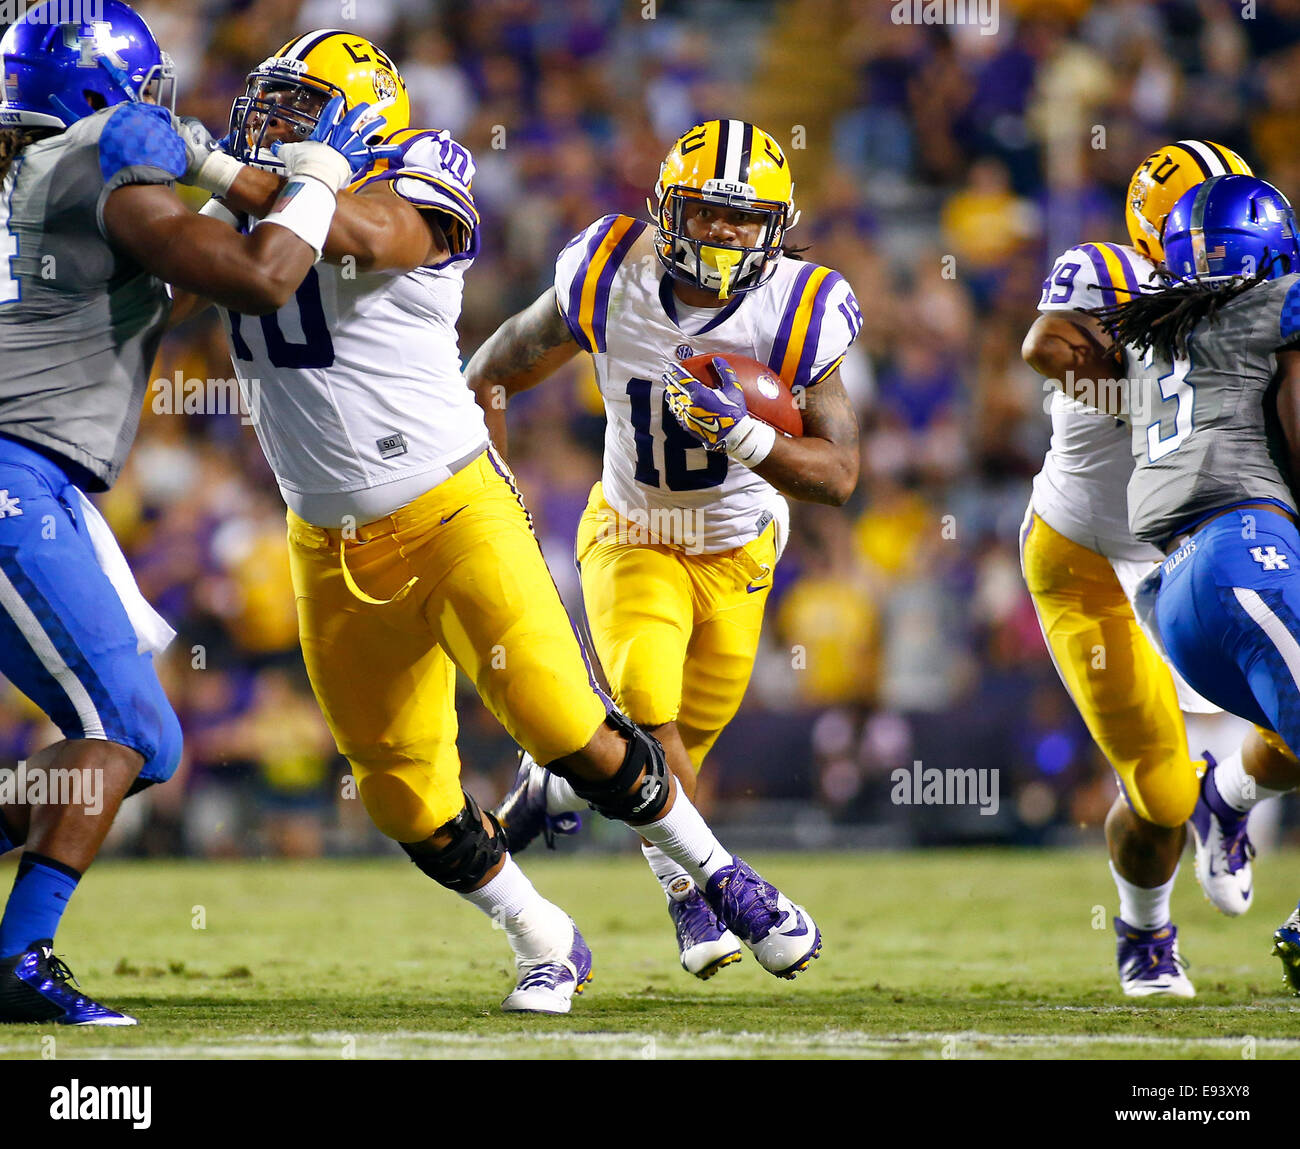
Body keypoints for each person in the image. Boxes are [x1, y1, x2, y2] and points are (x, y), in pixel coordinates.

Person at [191, 38, 823, 1013]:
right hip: (323, 537)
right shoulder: (247, 197)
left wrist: (267, 180)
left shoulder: (422, 168)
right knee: (400, 791)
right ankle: (541, 935)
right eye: (264, 109)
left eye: (297, 110)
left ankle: (722, 875)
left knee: (567, 724)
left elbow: (373, 235)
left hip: (448, 507)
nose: (269, 129)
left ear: (358, 120)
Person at [0, 0, 375, 1024]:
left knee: (146, 741)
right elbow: (258, 280)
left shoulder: (43, 175)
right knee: (120, 725)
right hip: (14, 478)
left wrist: (238, 185)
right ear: (103, 90)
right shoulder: (100, 152)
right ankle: (18, 962)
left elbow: (178, 270)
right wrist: (320, 179)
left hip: (37, 478)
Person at [467, 119, 859, 980]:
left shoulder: (799, 307)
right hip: (634, 531)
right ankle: (717, 894)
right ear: (665, 207)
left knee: (667, 761)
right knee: (649, 705)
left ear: (776, 228)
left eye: (743, 216)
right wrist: (492, 499)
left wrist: (747, 437)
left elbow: (838, 475)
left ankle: (557, 782)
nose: (723, 230)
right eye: (705, 210)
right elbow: (492, 369)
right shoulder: (610, 271)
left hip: (739, 550)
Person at [1020, 142, 1299, 997]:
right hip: (1088, 556)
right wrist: (1155, 391)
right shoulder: (1106, 272)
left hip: (1202, 537)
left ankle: (1237, 795)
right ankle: (1145, 931)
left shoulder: (1257, 299)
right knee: (1161, 789)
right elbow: (1045, 346)